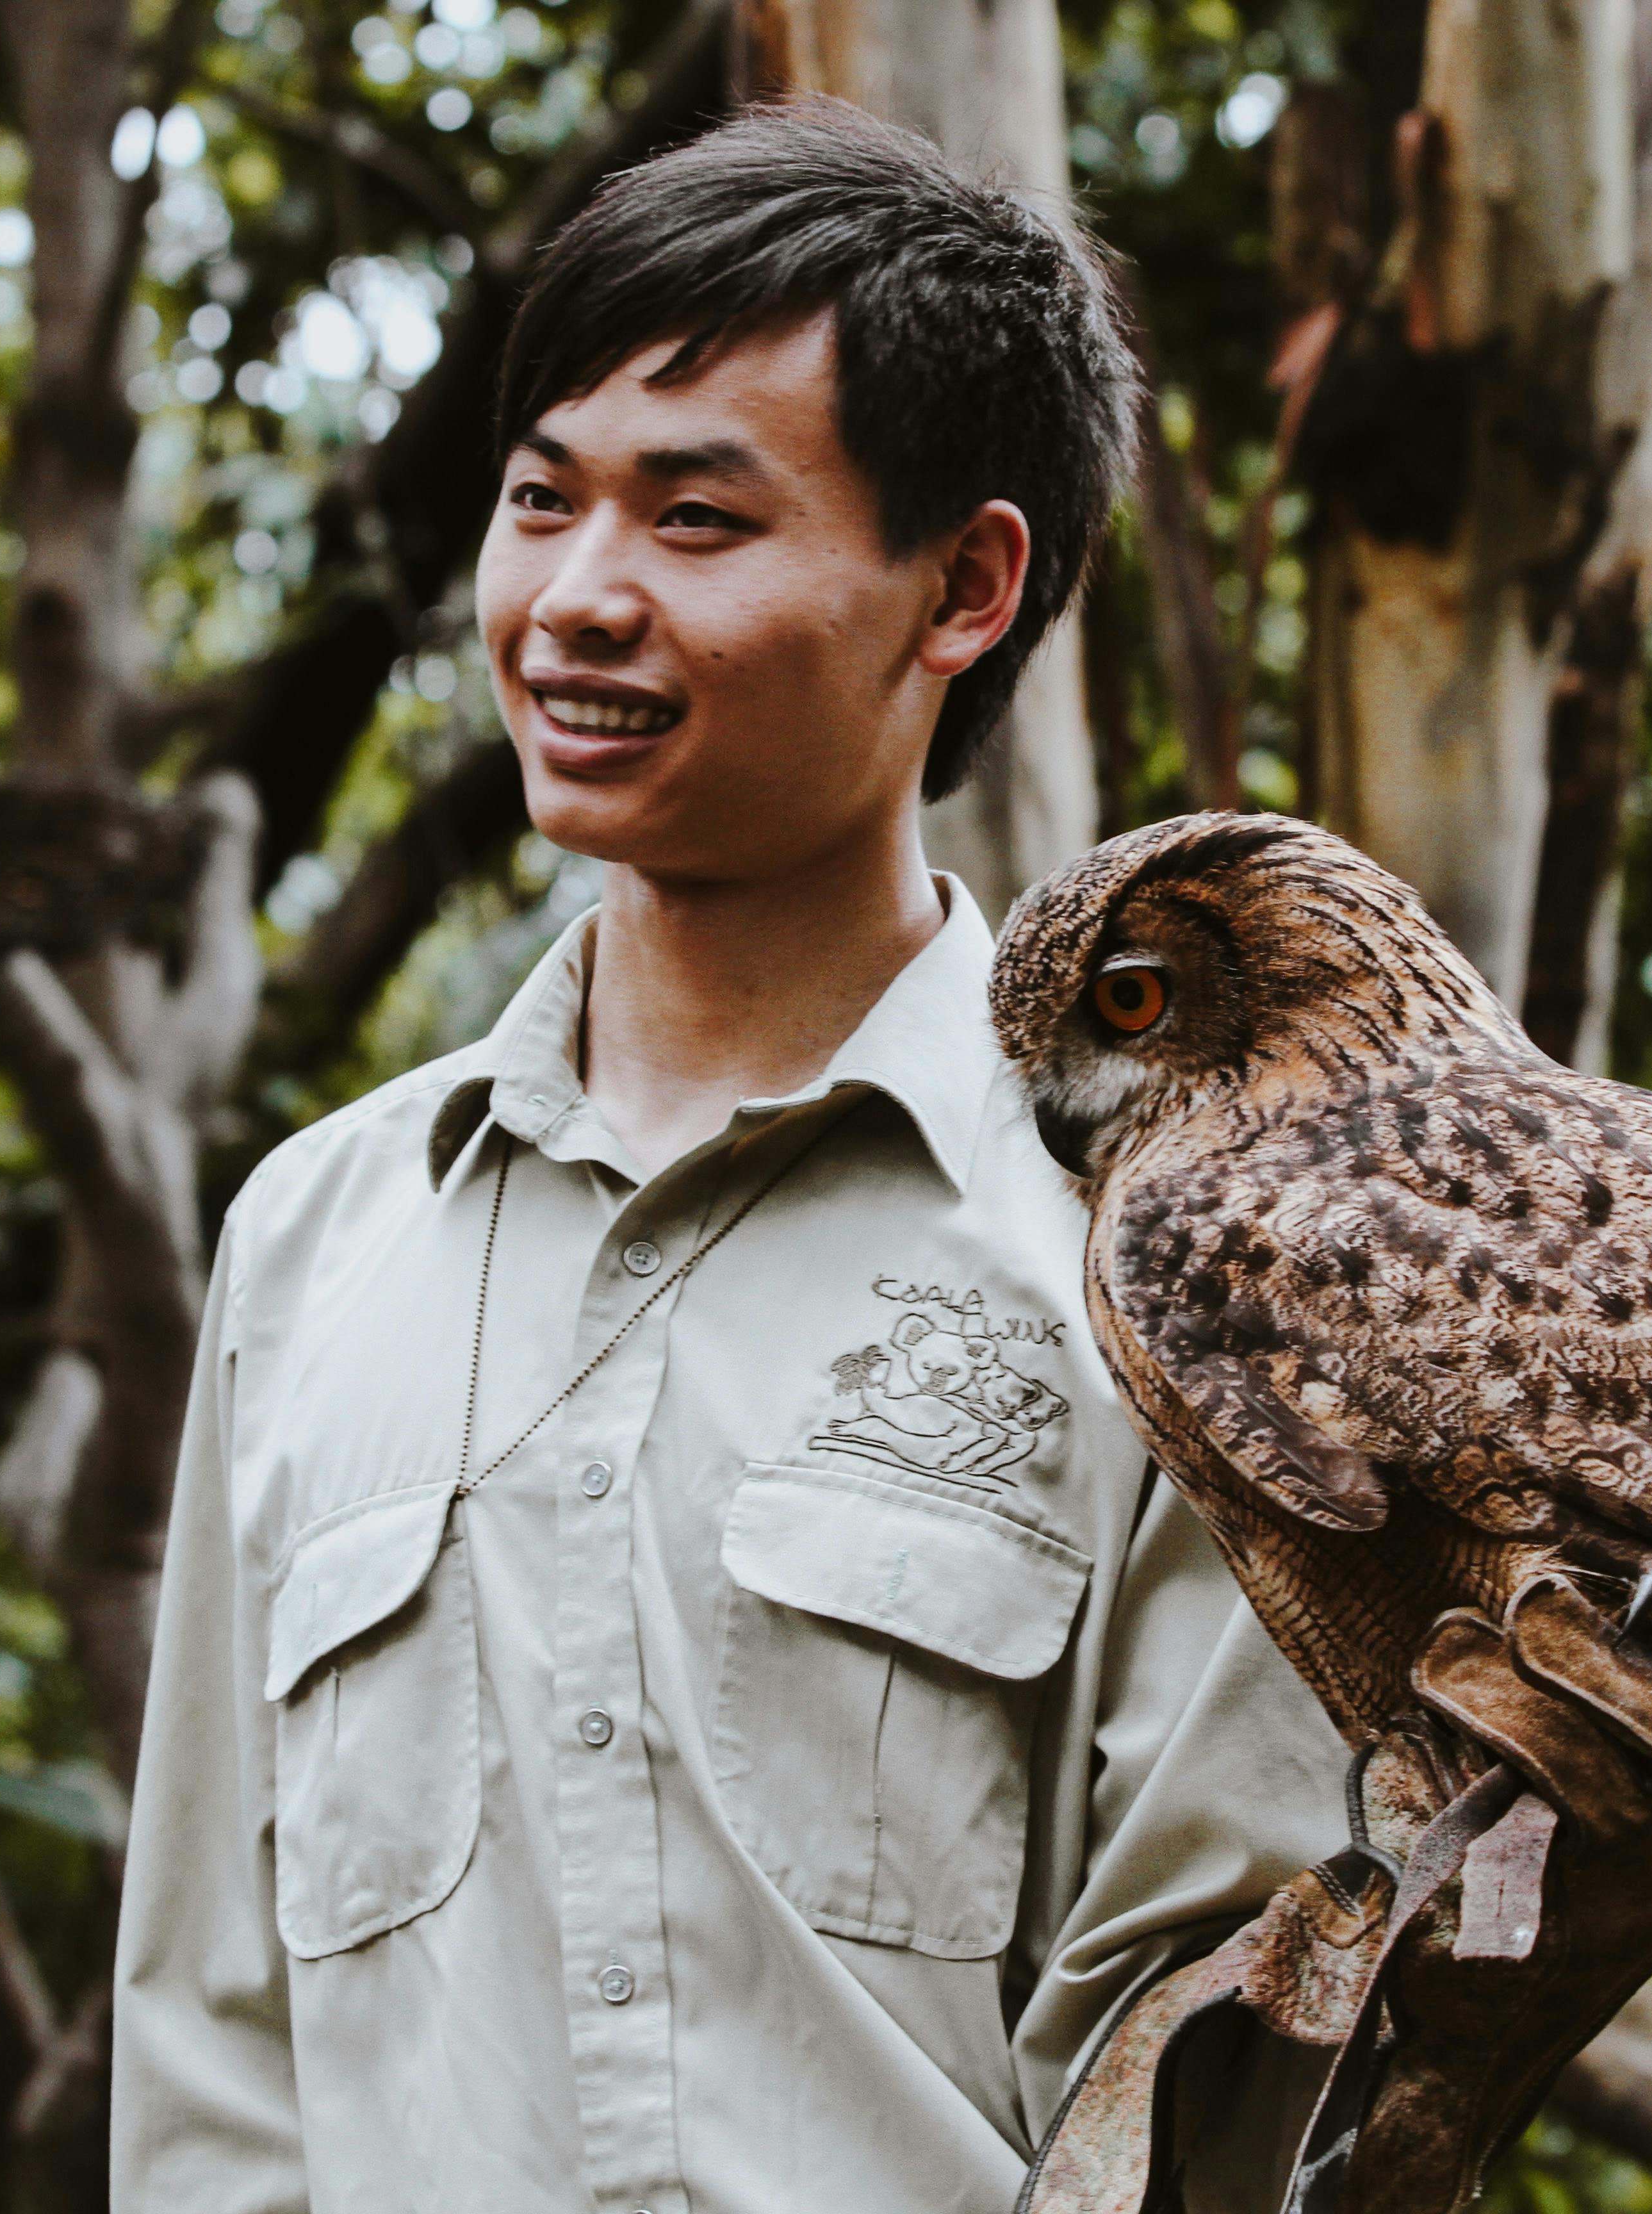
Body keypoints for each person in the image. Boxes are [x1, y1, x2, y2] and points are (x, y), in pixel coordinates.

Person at [109, 99, 1352, 2214]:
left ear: (963, 586)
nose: (577, 600)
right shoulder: (317, 1236)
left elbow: (1220, 2065)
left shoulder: (1170, 1257)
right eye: (538, 502)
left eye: (697, 522)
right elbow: (215, 2057)